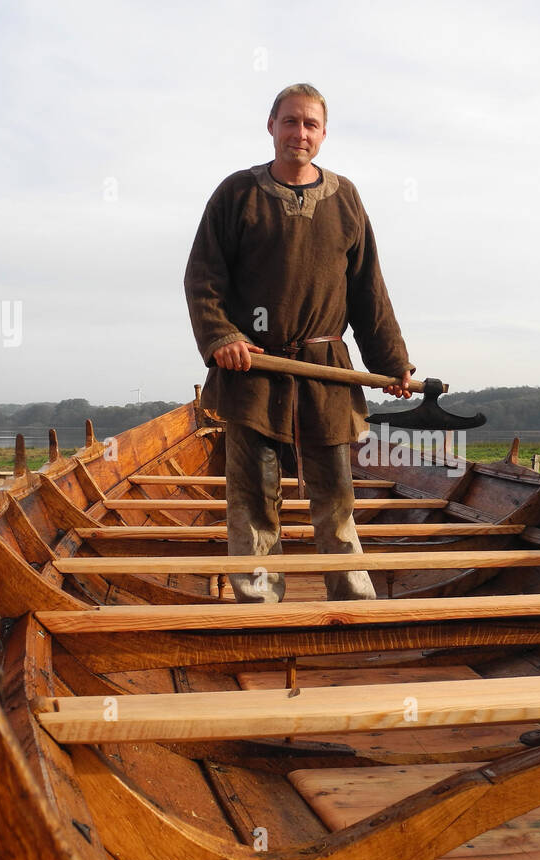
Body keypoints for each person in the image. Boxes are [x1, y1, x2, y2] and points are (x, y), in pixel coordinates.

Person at [184, 82, 414, 603]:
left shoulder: (346, 197)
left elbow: (368, 289)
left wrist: (392, 361)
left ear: (324, 133)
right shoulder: (235, 194)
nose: (300, 133)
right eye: (290, 121)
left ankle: (353, 603)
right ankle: (260, 607)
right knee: (253, 500)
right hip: (253, 373)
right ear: (271, 126)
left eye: (310, 124)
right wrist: (222, 336)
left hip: (326, 370)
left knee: (336, 498)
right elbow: (203, 278)